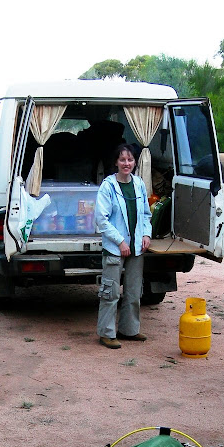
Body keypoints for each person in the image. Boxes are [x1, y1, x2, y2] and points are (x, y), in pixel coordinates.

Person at [95, 144, 152, 349]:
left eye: (130, 160)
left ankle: (129, 330)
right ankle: (106, 333)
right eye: (122, 160)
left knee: (134, 291)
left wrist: (146, 234)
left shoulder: (138, 184)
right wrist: (120, 241)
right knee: (110, 292)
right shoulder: (108, 186)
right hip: (115, 248)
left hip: (136, 247)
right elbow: (102, 220)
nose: (126, 164)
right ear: (116, 163)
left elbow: (145, 214)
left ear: (135, 162)